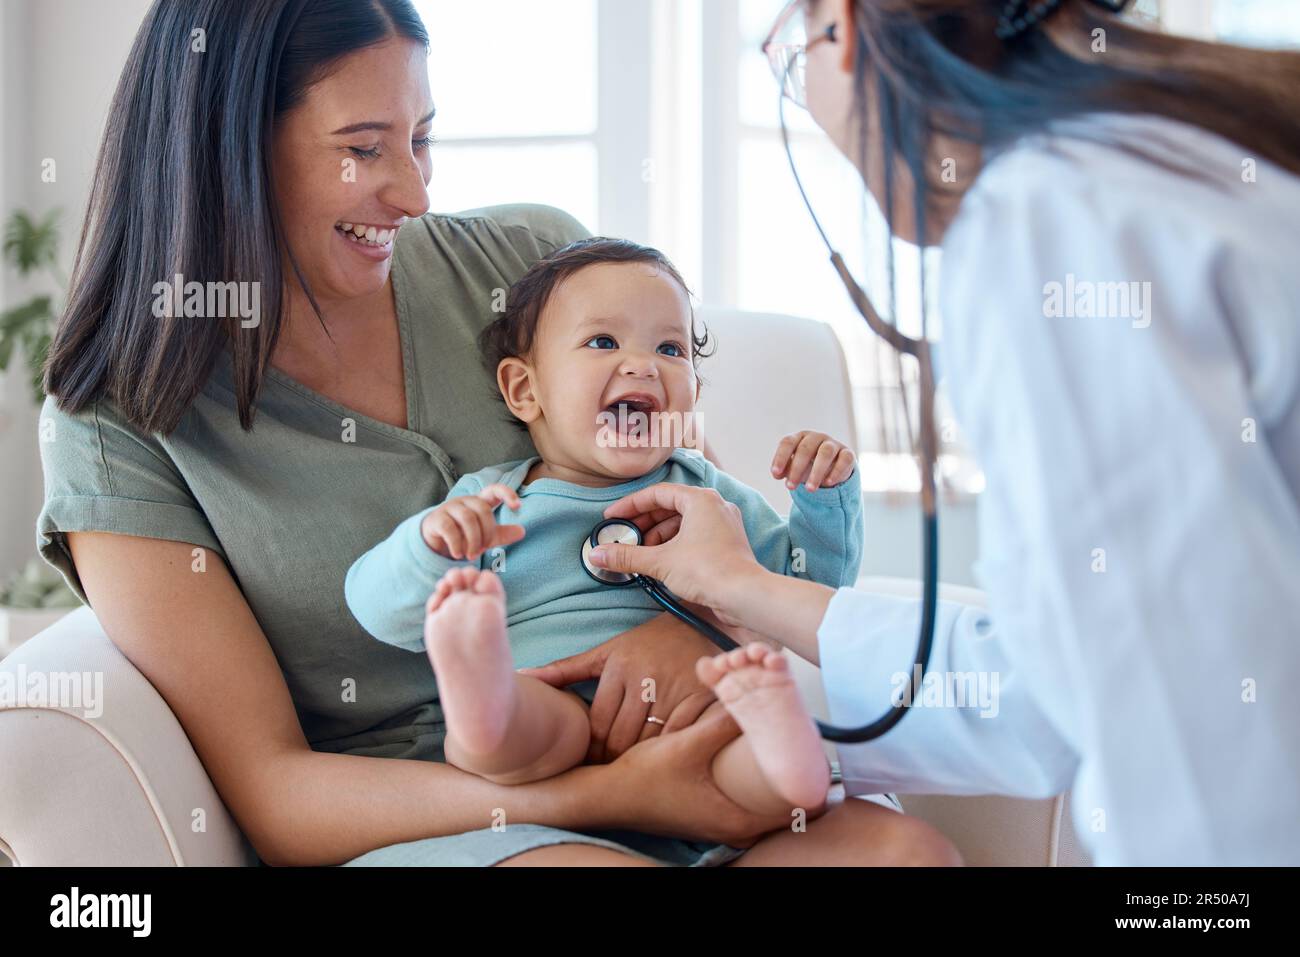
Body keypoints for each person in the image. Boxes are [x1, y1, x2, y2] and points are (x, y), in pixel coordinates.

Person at [35, 0, 958, 866]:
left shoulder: (530, 262)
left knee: (904, 856)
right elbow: (275, 793)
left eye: (423, 138)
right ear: (228, 151)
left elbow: (690, 506)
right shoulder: (116, 425)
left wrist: (686, 633)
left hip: (684, 748)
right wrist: (603, 796)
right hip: (448, 820)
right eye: (365, 148)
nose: (414, 192)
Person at [583, 0, 1300, 865]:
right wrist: (740, 589)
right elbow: (1062, 685)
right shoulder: (1187, 153)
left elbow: (1197, 753)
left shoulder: (1055, 220)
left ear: (843, 29)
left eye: (790, 57)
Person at [345, 237, 860, 815]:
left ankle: (784, 748)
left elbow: (808, 592)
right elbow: (377, 610)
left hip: (697, 708)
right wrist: (428, 547)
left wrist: (822, 500)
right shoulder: (493, 503)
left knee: (757, 777)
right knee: (507, 737)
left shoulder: (707, 494)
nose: (643, 364)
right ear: (525, 390)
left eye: (671, 348)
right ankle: (481, 690)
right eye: (602, 341)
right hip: (551, 697)